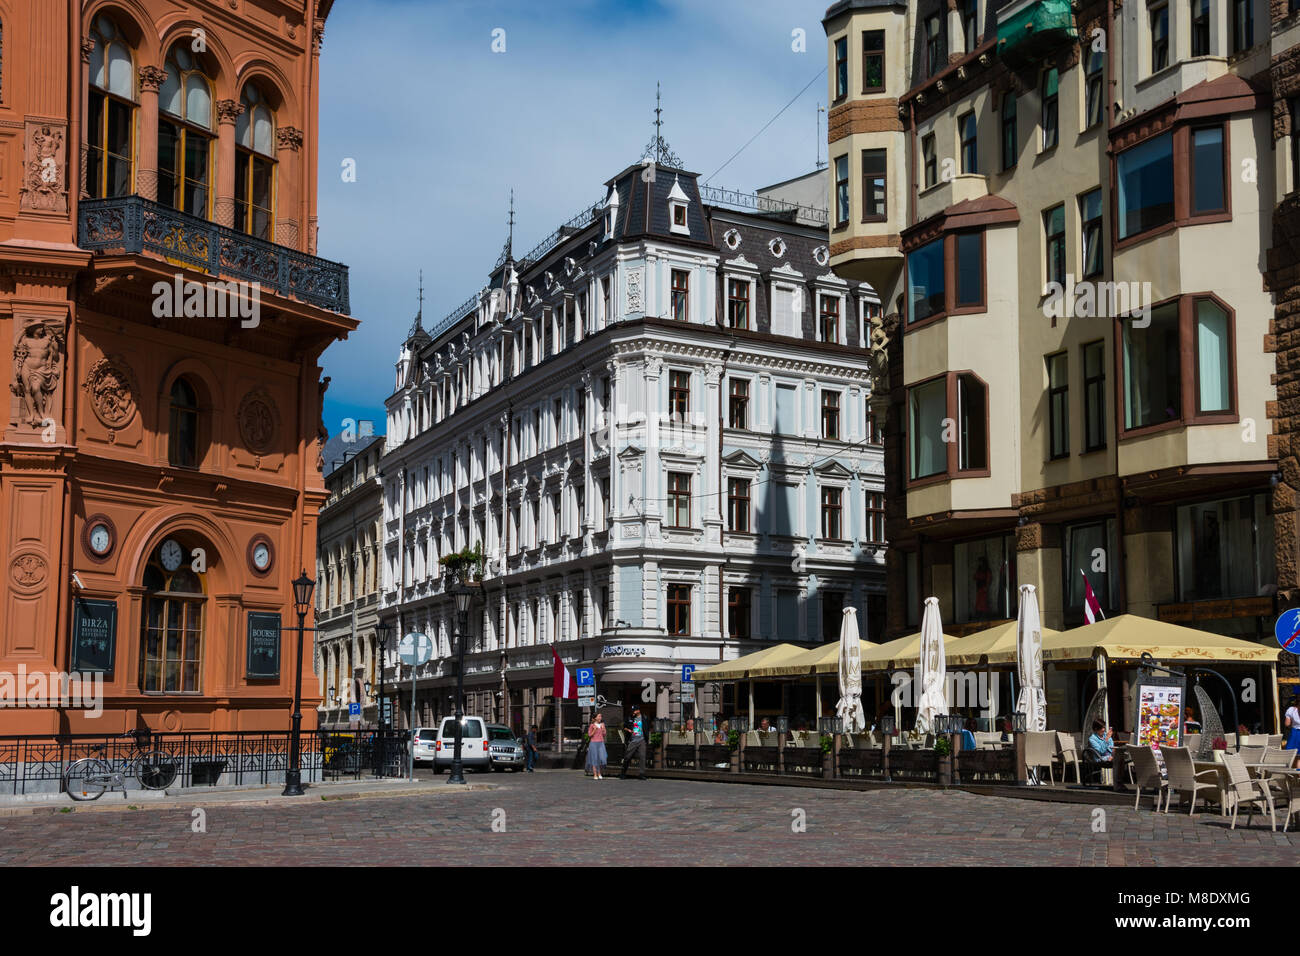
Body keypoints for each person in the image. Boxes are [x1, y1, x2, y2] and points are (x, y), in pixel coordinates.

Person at [619, 706, 647, 779]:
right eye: (632, 711)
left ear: (638, 710)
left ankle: (641, 774)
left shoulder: (644, 718)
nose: (633, 712)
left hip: (641, 740)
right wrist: (628, 730)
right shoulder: (629, 718)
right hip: (633, 740)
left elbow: (647, 727)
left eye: (634, 710)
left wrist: (646, 737)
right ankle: (623, 773)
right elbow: (623, 726)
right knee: (627, 757)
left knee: (642, 757)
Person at [586, 713, 608, 780]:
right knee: (594, 759)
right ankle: (595, 774)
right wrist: (594, 729)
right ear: (595, 718)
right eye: (599, 716)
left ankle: (599, 773)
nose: (600, 717)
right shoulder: (592, 725)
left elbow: (604, 734)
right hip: (594, 743)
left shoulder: (602, 724)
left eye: (601, 716)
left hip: (601, 743)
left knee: (602, 758)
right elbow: (589, 735)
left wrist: (603, 728)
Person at [1285, 695, 1300, 768]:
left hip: (1295, 734)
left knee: (1294, 756)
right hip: (1295, 733)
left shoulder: (1291, 710)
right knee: (1298, 758)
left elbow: (1287, 724)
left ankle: (1295, 776)